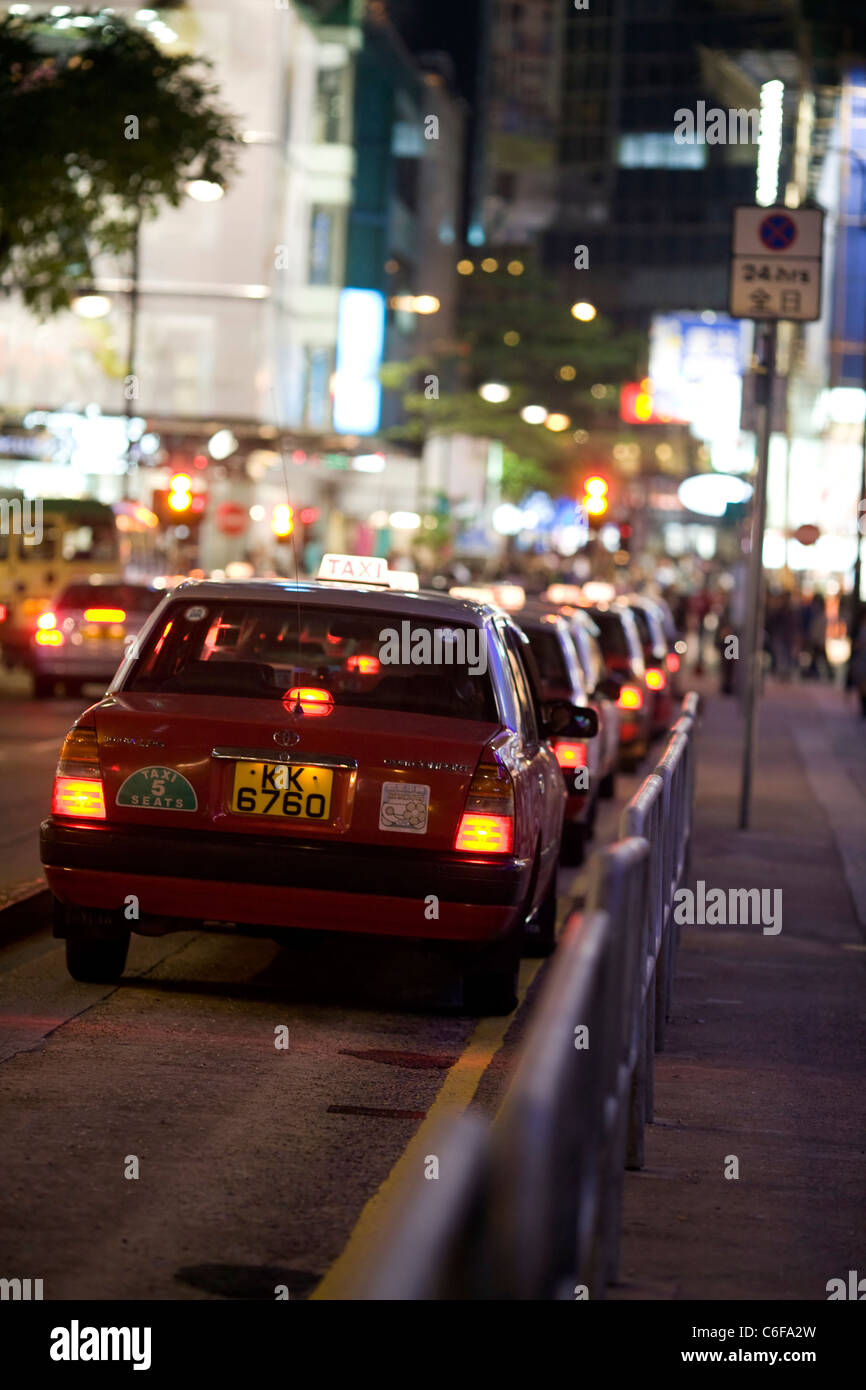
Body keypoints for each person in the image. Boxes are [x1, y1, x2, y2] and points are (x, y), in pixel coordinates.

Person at [850, 617, 866, 718]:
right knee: (862, 685)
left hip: (862, 660)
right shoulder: (862, 629)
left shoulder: (863, 629)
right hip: (862, 660)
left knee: (863, 686)